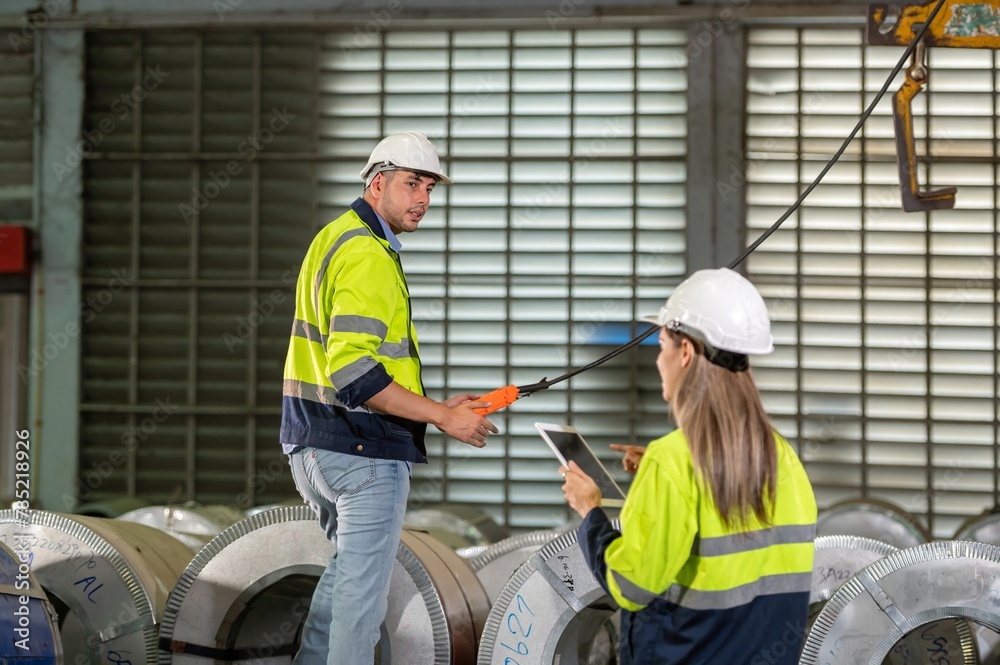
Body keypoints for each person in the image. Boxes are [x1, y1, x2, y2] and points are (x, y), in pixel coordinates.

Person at [281, 131, 499, 664]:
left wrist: (433, 405)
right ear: (377, 184)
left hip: (312, 447)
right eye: (411, 183)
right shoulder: (369, 254)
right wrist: (443, 417)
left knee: (340, 592)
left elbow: (348, 361)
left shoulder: (333, 236)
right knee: (361, 603)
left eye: (429, 186)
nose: (423, 198)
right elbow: (354, 371)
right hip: (362, 452)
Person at [561, 268, 816, 664]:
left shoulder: (673, 459)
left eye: (661, 345)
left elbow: (629, 585)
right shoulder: (783, 456)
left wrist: (590, 510)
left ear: (685, 353)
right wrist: (665, 476)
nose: (658, 361)